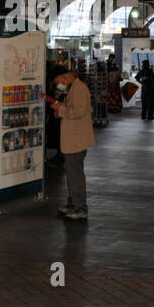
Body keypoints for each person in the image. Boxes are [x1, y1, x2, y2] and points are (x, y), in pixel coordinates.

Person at [49, 65, 95, 222]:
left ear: (63, 77)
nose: (59, 84)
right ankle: (73, 203)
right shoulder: (72, 87)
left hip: (77, 140)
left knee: (74, 173)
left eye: (59, 81)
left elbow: (78, 111)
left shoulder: (79, 89)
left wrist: (60, 109)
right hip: (73, 139)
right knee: (72, 173)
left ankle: (80, 207)